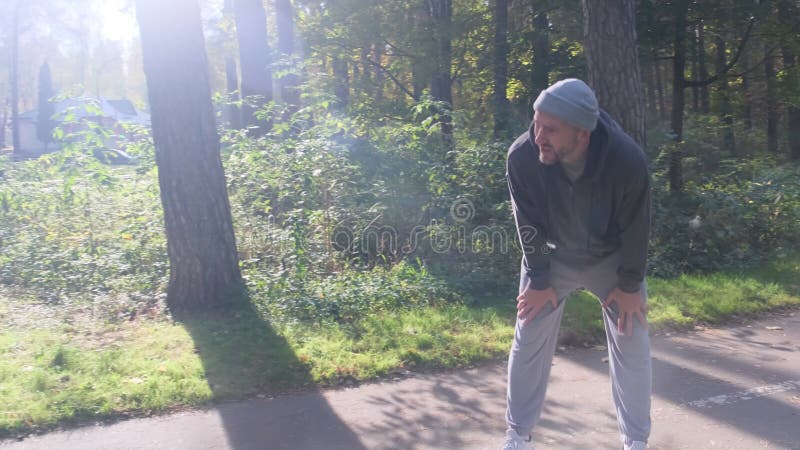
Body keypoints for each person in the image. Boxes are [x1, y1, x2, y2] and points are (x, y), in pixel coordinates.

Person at [502, 79, 652, 450]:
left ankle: (635, 441)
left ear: (582, 133)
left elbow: (637, 225)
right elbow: (527, 221)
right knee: (528, 334)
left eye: (550, 129)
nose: (539, 136)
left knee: (631, 339)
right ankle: (517, 435)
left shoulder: (626, 160)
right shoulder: (522, 157)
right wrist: (538, 278)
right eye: (536, 123)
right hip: (551, 258)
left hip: (611, 260)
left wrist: (630, 285)